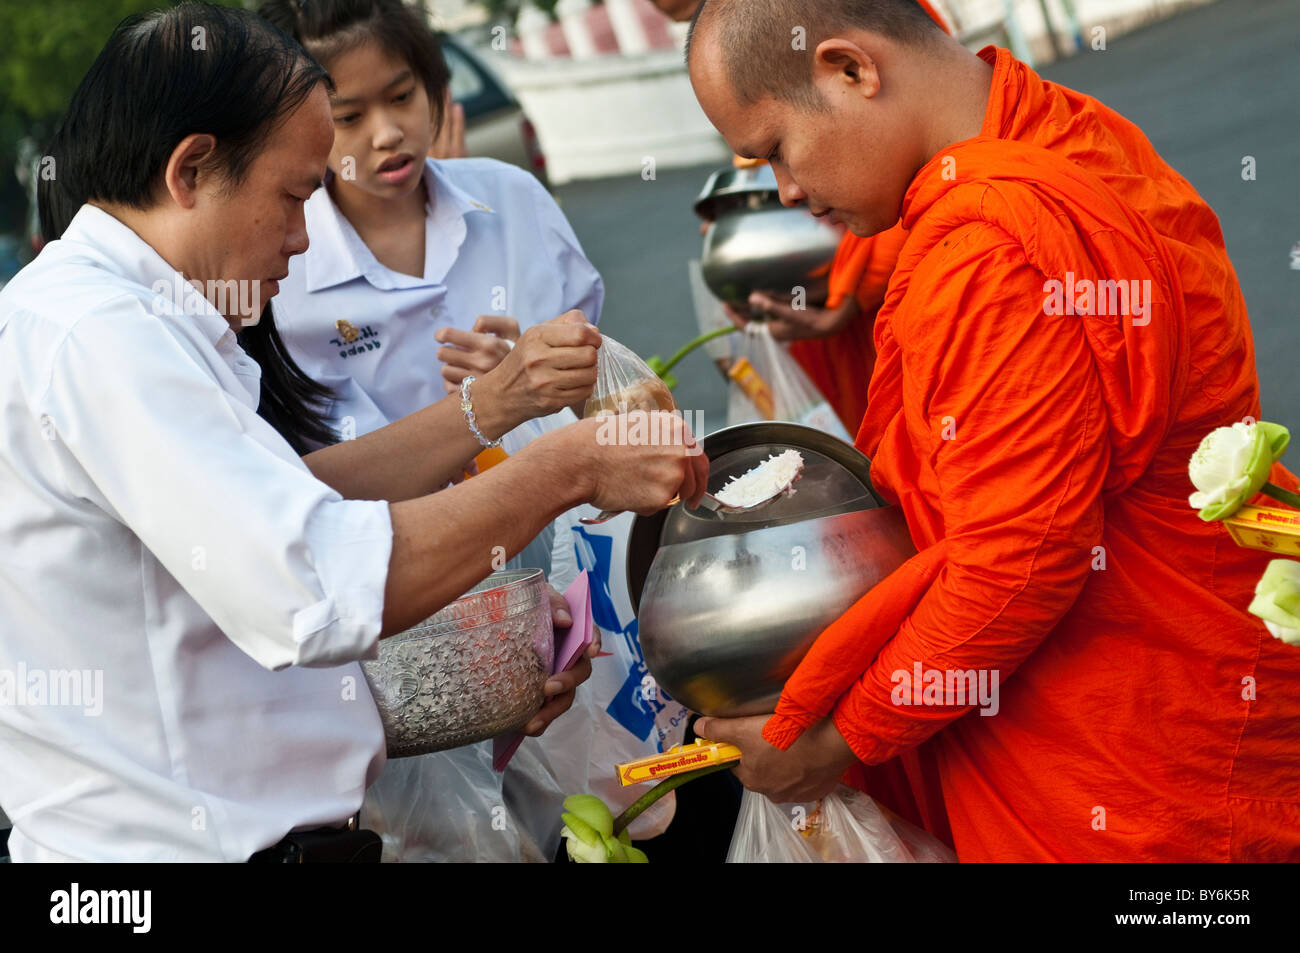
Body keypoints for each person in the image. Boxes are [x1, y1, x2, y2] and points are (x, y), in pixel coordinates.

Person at [0, 2, 706, 862]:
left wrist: (497, 416)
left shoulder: (142, 319)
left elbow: (304, 499)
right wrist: (567, 467)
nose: (303, 239)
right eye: (296, 195)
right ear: (192, 170)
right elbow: (317, 578)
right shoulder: (98, 337)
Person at [683, 0, 1300, 860]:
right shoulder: (1067, 129)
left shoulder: (988, 253)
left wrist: (844, 740)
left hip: (1128, 748)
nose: (785, 190)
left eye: (777, 149)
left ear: (850, 69)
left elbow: (1018, 560)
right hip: (1208, 671)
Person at [253, 0, 608, 862]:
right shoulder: (277, 268)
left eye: (402, 96)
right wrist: (485, 406)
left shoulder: (511, 201)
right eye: (347, 117)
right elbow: (294, 486)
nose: (386, 134)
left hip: (557, 590)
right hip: (399, 642)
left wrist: (542, 372)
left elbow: (615, 392)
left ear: (435, 87)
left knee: (601, 817)